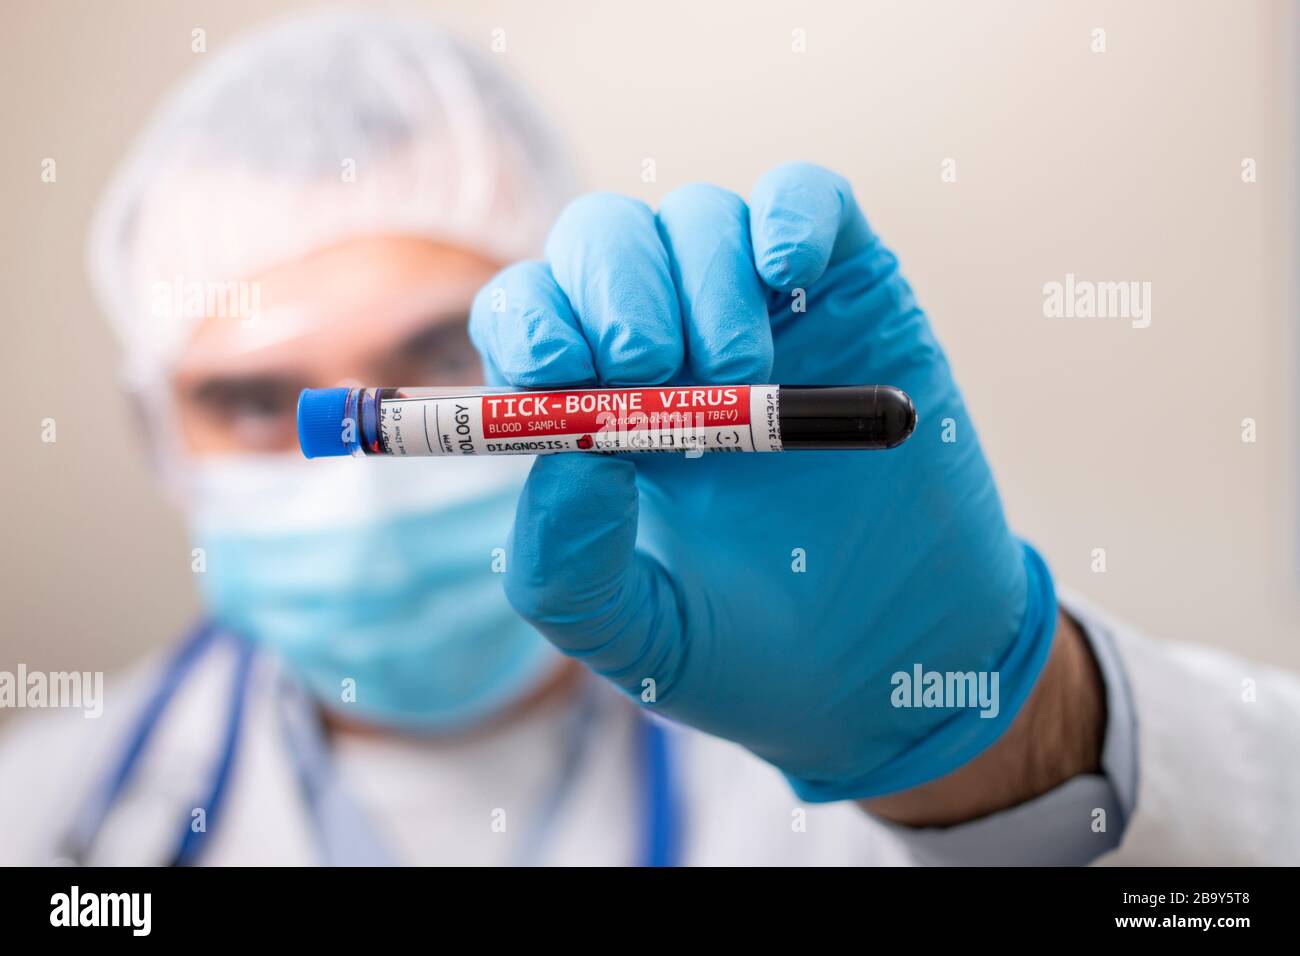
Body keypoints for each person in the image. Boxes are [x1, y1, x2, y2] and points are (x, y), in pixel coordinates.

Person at [1, 9, 1297, 866]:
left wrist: (1007, 743)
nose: (360, 480)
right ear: (159, 435)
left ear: (563, 335)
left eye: (444, 362)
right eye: (252, 401)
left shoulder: (816, 766)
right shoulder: (44, 819)